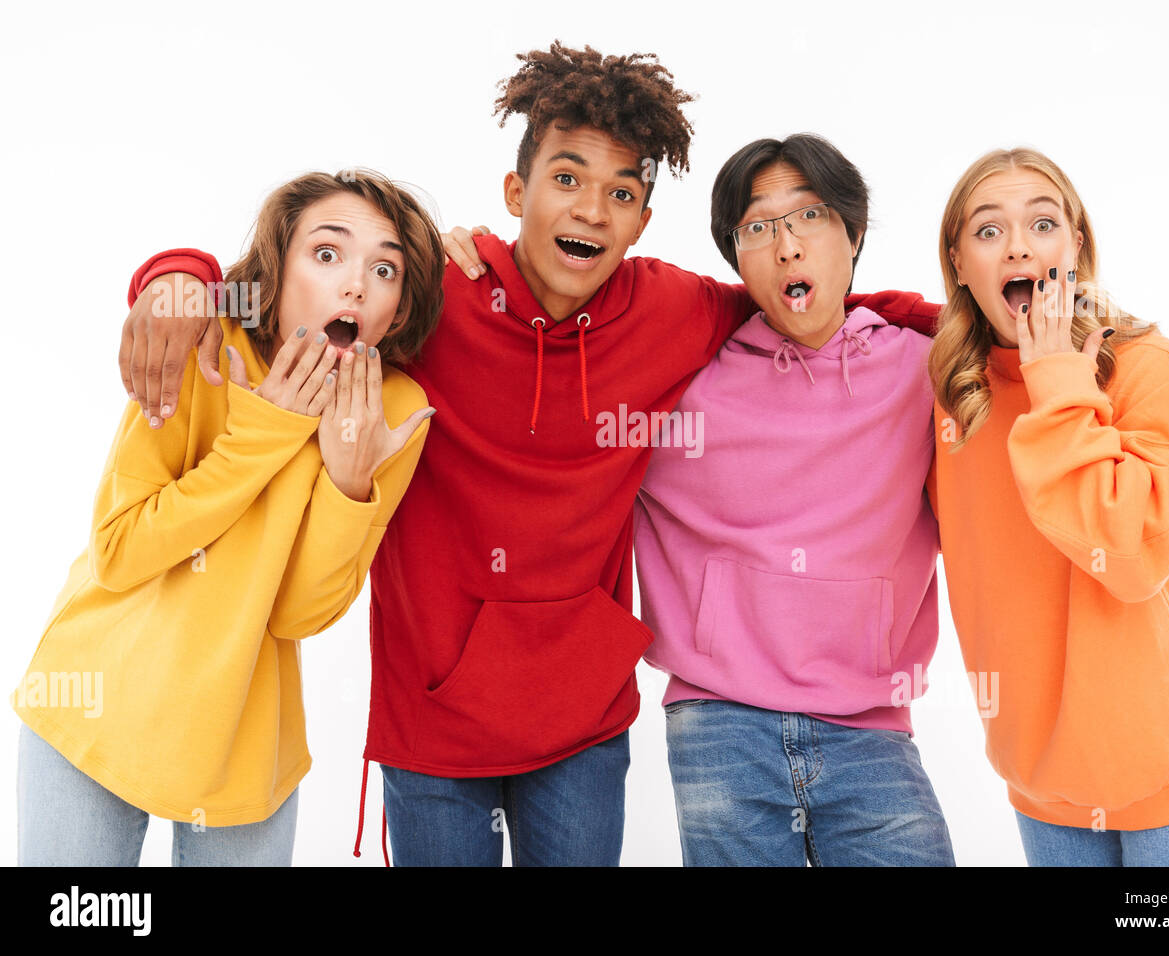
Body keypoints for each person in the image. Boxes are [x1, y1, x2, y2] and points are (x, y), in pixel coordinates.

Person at [112, 43, 937, 867]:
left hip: (582, 724)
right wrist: (178, 274)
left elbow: (797, 304)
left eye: (622, 193)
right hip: (431, 721)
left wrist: (961, 323)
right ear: (516, 192)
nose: (592, 210)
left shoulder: (670, 309)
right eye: (567, 178)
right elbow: (297, 288)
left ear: (642, 222)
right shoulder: (434, 295)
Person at [13, 169, 441, 865]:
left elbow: (297, 615)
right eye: (326, 253)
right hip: (95, 703)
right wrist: (261, 436)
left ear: (398, 309)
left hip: (243, 740)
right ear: (277, 270)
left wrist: (348, 483)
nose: (355, 285)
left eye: (383, 269)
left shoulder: (389, 410)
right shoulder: (204, 349)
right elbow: (119, 551)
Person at [927, 147, 1169, 866]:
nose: (1018, 247)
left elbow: (1130, 557)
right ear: (958, 262)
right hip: (1045, 785)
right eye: (988, 231)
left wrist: (1056, 380)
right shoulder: (954, 394)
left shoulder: (1154, 370)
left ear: (1076, 247)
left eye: (1043, 224)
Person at [633, 134, 954, 866]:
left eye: (809, 216)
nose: (787, 246)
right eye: (758, 227)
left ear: (854, 233)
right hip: (719, 719)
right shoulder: (682, 383)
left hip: (872, 724)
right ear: (736, 258)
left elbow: (1012, 351)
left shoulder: (923, 370)